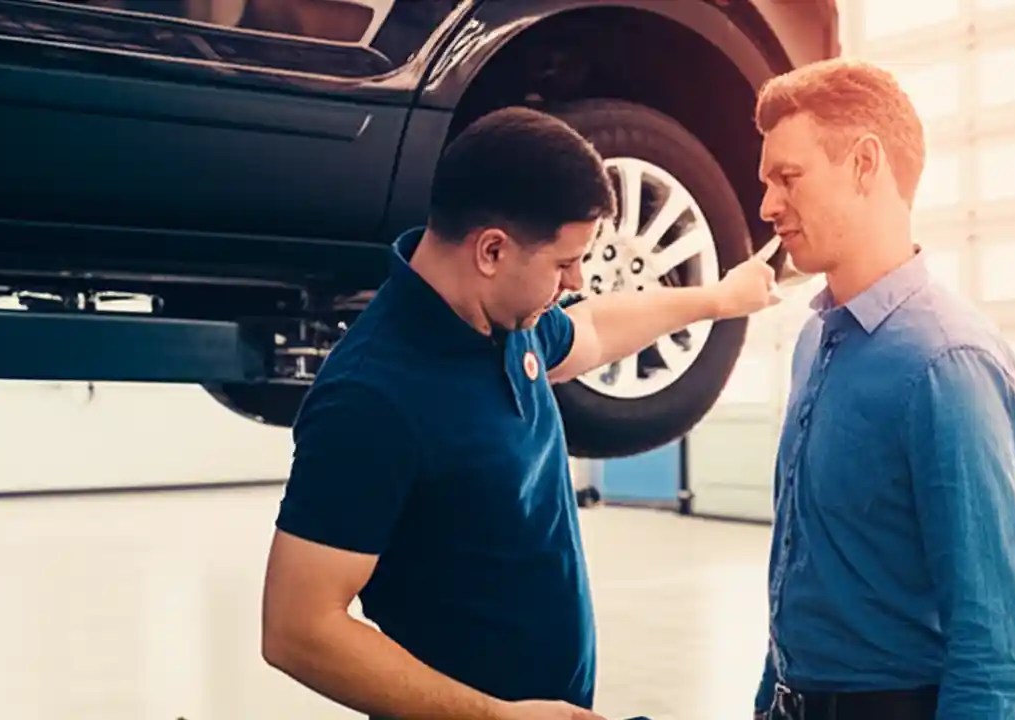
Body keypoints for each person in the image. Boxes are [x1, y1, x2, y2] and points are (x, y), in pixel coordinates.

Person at [260, 105, 781, 720]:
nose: (577, 279)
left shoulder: (504, 319)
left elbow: (589, 330)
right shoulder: (371, 397)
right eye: (565, 264)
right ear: (491, 251)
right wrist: (494, 717)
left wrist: (718, 298)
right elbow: (297, 628)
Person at [749, 57, 1015, 720]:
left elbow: (993, 645)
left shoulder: (948, 365)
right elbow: (805, 564)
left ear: (865, 165)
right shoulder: (816, 341)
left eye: (788, 177)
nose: (767, 206)